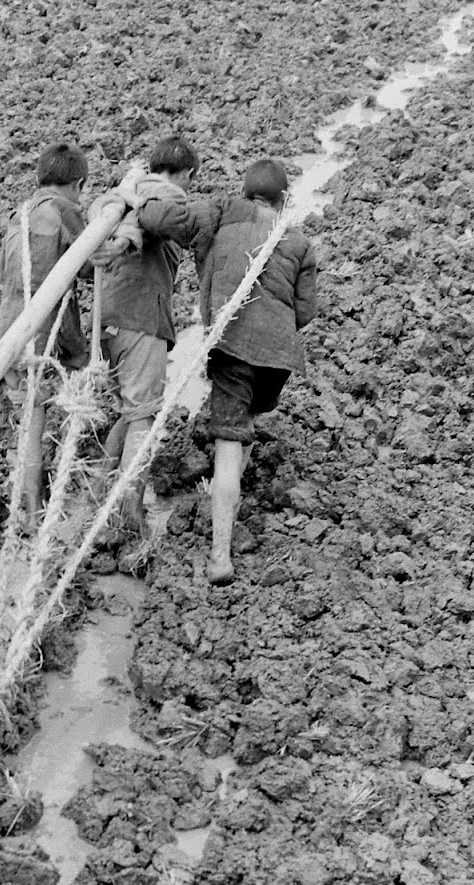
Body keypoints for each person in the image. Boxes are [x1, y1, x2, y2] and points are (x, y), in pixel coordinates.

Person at [198, 159, 317, 583]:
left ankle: (219, 555)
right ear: (283, 199)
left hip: (232, 344)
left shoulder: (224, 224)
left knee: (228, 442)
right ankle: (229, 500)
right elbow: (306, 311)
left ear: (246, 192)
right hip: (278, 353)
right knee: (246, 423)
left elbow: (208, 282)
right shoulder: (299, 242)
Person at [95, 135, 217, 534]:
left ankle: (98, 489)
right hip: (141, 318)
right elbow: (158, 220)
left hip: (109, 317)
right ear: (187, 174)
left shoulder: (123, 192)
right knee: (145, 415)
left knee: (131, 410)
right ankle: (131, 505)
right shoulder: (165, 197)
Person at [0, 141, 92, 519]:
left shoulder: (19, 213)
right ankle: (34, 509)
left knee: (26, 421)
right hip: (43, 333)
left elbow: (5, 270)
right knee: (37, 422)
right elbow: (86, 266)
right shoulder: (64, 210)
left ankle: (23, 505)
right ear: (77, 184)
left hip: (9, 331)